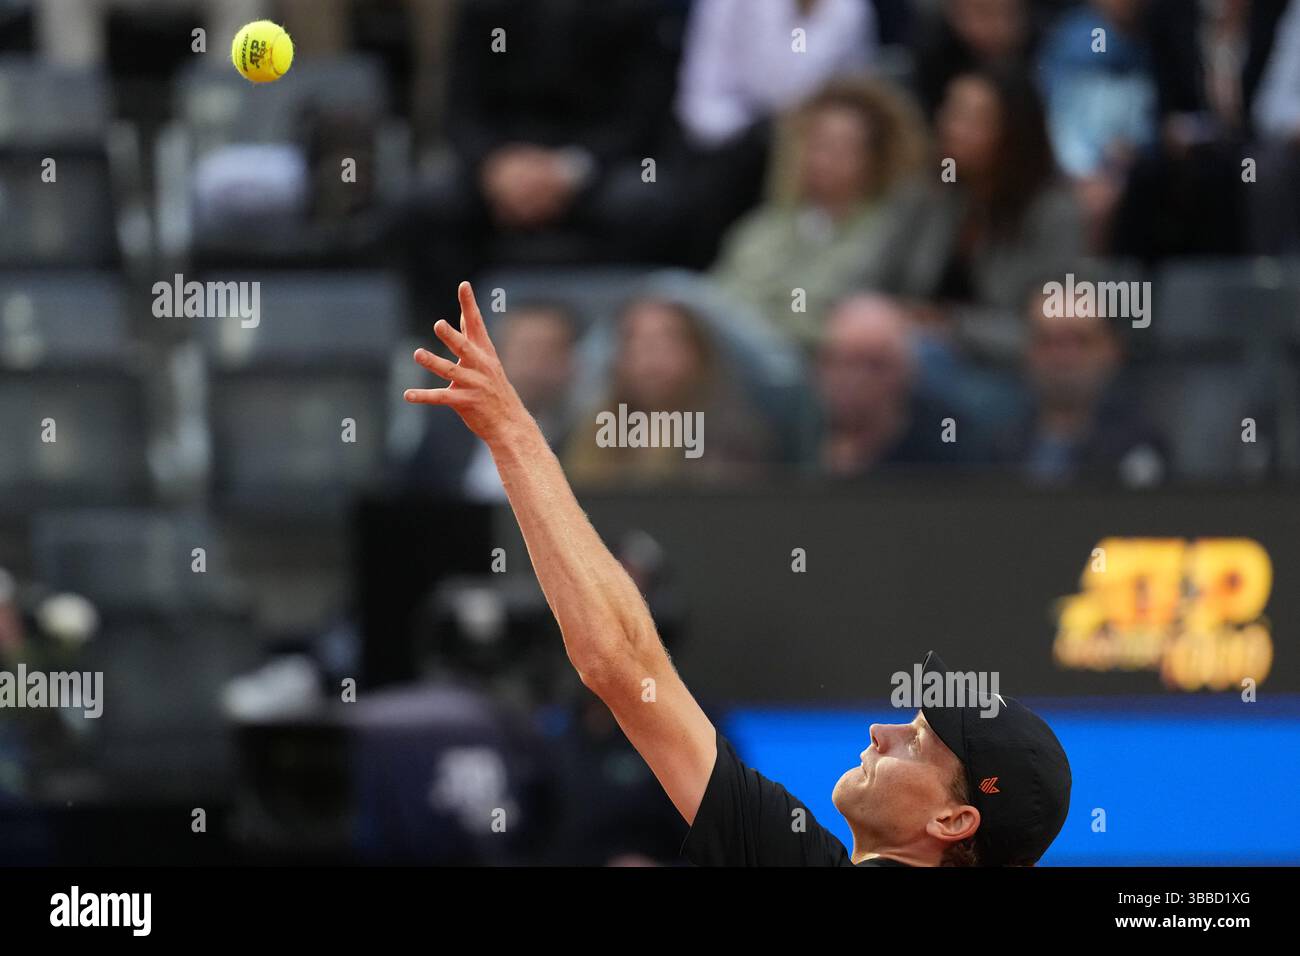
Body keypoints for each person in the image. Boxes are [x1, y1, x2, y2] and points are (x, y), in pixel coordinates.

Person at [402, 282, 1072, 866]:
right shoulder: (792, 851)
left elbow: (621, 667)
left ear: (953, 821)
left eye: (920, 741)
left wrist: (514, 434)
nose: (881, 731)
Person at [711, 78, 926, 349]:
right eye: (817, 143)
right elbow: (717, 303)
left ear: (875, 157)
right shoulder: (764, 226)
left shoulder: (891, 237)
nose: (825, 158)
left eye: (843, 146)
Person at [561, 296, 772, 488]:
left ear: (698, 354)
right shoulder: (589, 433)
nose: (649, 358)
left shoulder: (730, 437)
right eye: (635, 343)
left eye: (665, 343)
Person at [402, 302, 578, 501]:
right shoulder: (446, 432)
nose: (535, 365)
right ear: (495, 355)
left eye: (549, 352)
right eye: (526, 350)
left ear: (571, 363)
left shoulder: (582, 440)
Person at [993, 285, 1167, 487]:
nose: (1062, 357)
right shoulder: (996, 447)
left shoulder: (1140, 447)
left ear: (1112, 350)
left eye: (1080, 341)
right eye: (1047, 341)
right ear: (1026, 351)